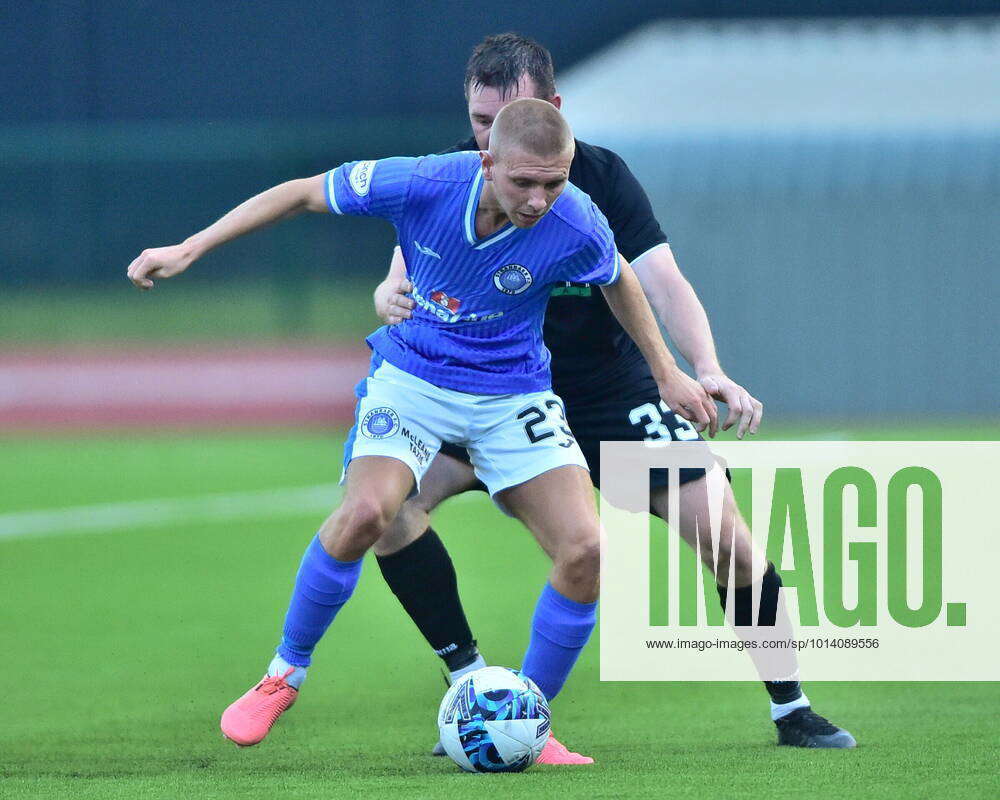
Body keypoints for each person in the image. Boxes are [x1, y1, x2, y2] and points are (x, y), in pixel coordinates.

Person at [126, 98, 708, 757]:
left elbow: (619, 277)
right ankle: (282, 677)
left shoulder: (576, 219)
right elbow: (299, 195)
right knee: (369, 513)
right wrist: (191, 246)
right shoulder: (424, 181)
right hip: (415, 377)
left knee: (587, 552)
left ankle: (526, 720)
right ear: (487, 161)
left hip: (513, 391)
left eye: (556, 181)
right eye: (525, 182)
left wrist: (668, 372)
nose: (541, 199)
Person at [369, 34, 855, 759]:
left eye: (514, 115)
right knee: (387, 511)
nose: (493, 139)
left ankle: (794, 708)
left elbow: (661, 281)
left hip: (607, 393)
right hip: (490, 394)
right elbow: (404, 269)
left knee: (728, 540)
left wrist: (705, 367)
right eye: (479, 122)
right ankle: (475, 686)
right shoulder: (451, 176)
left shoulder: (601, 177)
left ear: (555, 108)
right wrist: (387, 291)